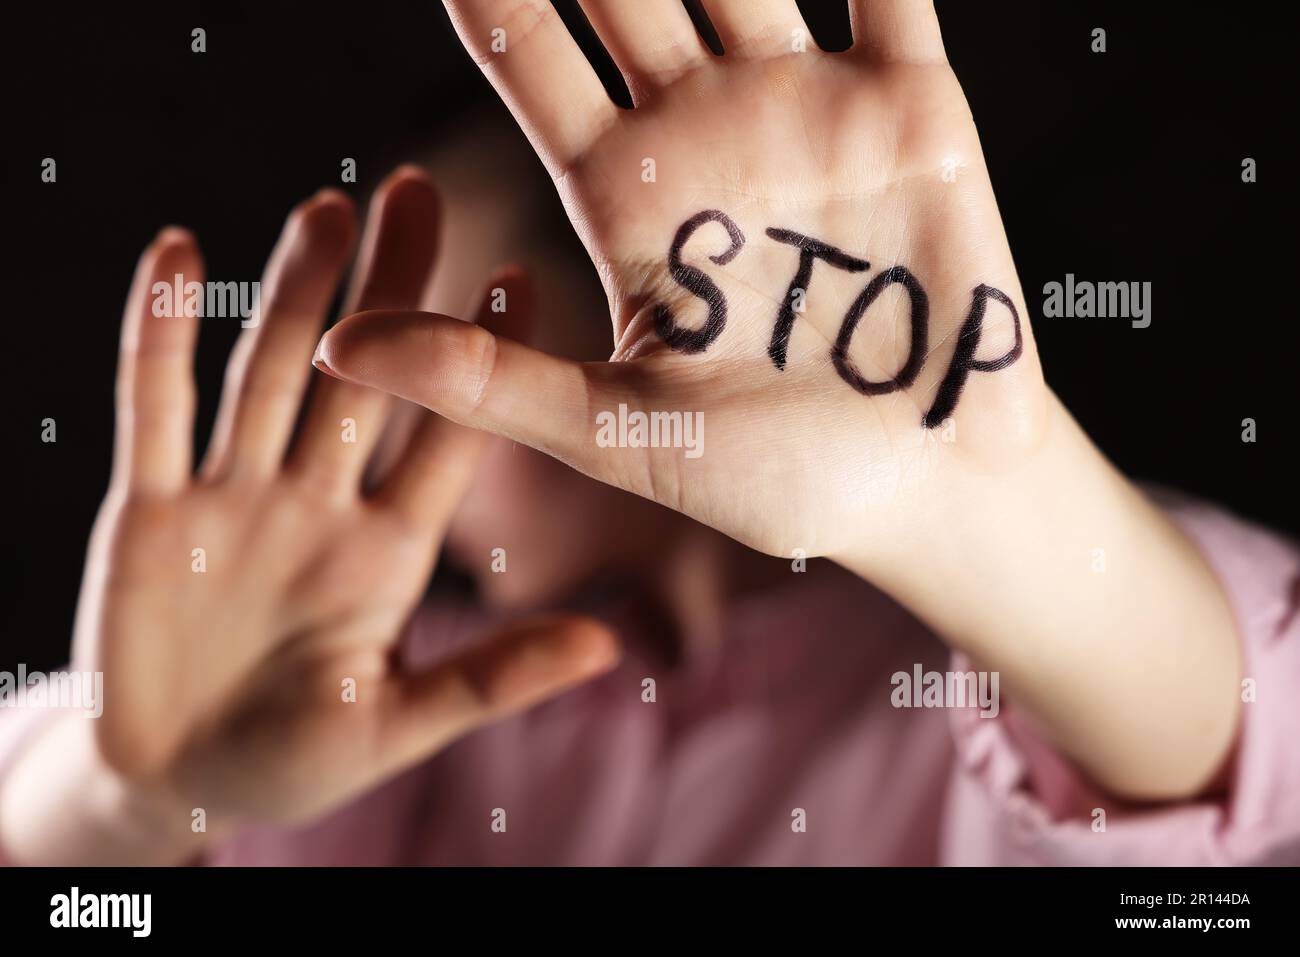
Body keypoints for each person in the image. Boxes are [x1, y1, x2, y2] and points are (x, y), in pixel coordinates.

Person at [2, 0, 1297, 865]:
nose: (386, 464)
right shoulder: (376, 704)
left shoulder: (968, 685)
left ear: (648, 309)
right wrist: (130, 797)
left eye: (455, 351)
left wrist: (999, 499)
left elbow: (1242, 759)